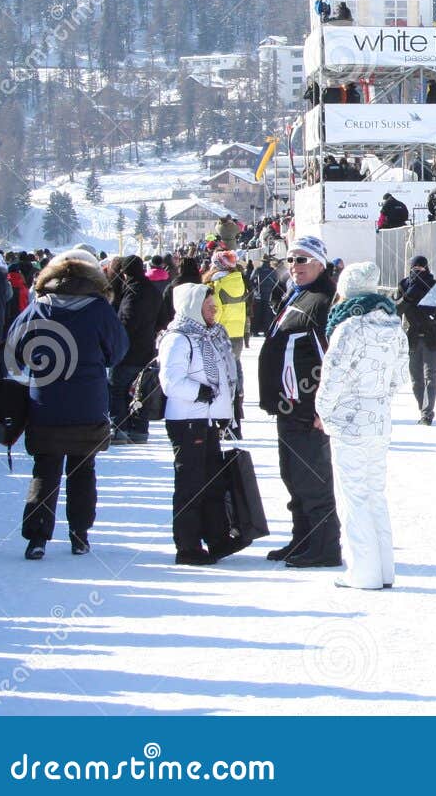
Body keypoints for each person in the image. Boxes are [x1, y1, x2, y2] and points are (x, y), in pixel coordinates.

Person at [7, 250, 128, 559]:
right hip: (89, 402)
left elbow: (14, 347)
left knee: (45, 468)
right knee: (83, 469)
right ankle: (80, 535)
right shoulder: (100, 309)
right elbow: (117, 350)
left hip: (46, 401)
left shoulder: (39, 306)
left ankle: (37, 537)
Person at [316, 262, 408, 591]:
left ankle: (363, 571)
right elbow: (401, 377)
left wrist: (324, 411)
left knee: (353, 497)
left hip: (348, 421)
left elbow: (332, 378)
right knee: (375, 494)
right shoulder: (394, 326)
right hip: (379, 420)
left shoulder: (349, 326)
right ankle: (384, 569)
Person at [257, 235, 342, 569]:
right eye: (290, 260)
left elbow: (330, 358)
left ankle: (324, 546)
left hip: (308, 409)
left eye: (302, 260)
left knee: (312, 478)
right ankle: (302, 537)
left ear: (320, 263)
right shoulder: (297, 295)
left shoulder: (322, 299)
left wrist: (324, 406)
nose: (294, 267)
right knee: (293, 476)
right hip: (287, 406)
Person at [158, 283, 247, 565]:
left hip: (207, 418)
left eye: (215, 306)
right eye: (208, 306)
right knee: (191, 483)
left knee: (212, 480)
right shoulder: (179, 338)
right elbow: (170, 381)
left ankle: (217, 537)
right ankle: (188, 546)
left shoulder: (213, 336)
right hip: (188, 420)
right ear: (192, 307)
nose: (214, 310)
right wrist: (199, 392)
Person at [109, 255, 163, 444]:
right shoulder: (153, 291)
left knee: (118, 388)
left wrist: (117, 337)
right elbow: (163, 318)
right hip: (147, 348)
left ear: (124, 273)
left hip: (128, 351)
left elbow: (128, 320)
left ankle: (119, 429)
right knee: (141, 391)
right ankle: (139, 430)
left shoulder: (132, 291)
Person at [394, 256, 436, 426]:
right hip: (412, 336)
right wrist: (407, 298)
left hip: (432, 336)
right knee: (415, 379)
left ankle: (427, 414)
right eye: (414, 269)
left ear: (427, 269)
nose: (418, 272)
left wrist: (435, 314)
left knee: (431, 377)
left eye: (421, 269)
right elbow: (395, 311)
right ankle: (423, 408)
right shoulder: (404, 285)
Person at [247, 254, 280, 337]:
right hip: (267, 294)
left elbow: (251, 281)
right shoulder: (270, 270)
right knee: (267, 313)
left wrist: (255, 291)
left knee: (258, 313)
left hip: (261, 294)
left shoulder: (259, 269)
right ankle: (265, 330)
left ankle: (255, 331)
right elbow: (277, 282)